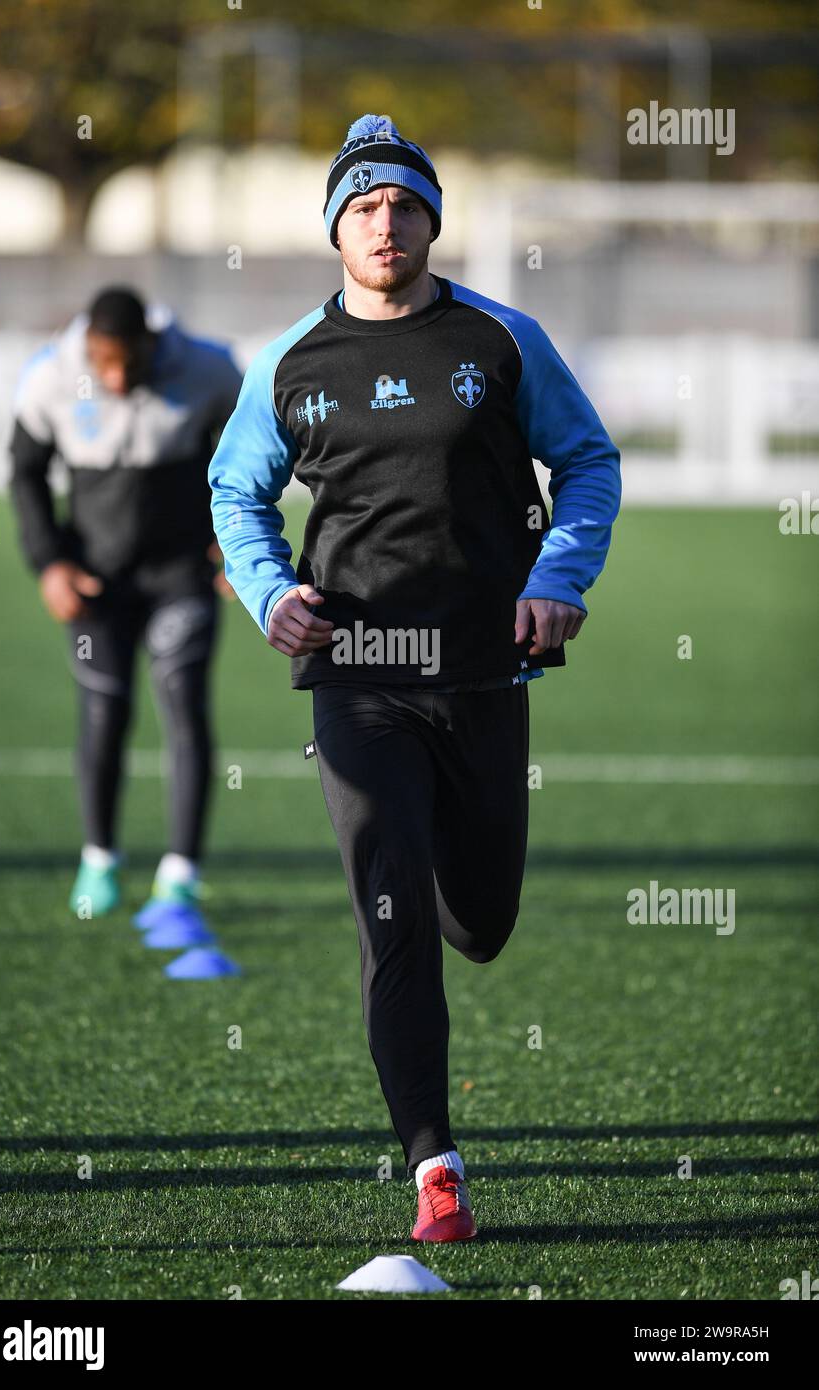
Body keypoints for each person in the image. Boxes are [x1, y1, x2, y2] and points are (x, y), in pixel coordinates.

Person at [209, 115, 621, 1241]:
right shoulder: (290, 362)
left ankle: (450, 876)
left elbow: (586, 460)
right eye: (362, 206)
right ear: (335, 227)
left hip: (483, 669)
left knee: (476, 923)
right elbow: (233, 495)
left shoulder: (501, 340)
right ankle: (432, 1162)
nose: (383, 223)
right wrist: (270, 591)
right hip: (355, 674)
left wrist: (560, 578)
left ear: (432, 220)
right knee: (387, 911)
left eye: (403, 206)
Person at [9, 287, 243, 918]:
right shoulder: (50, 377)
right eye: (102, 363)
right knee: (104, 713)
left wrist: (235, 543)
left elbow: (246, 459)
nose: (114, 377)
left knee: (184, 707)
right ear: (88, 348)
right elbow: (25, 471)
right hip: (97, 587)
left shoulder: (209, 369)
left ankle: (181, 875)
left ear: (150, 345)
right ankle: (100, 860)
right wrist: (50, 562)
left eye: (127, 363)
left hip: (181, 579)